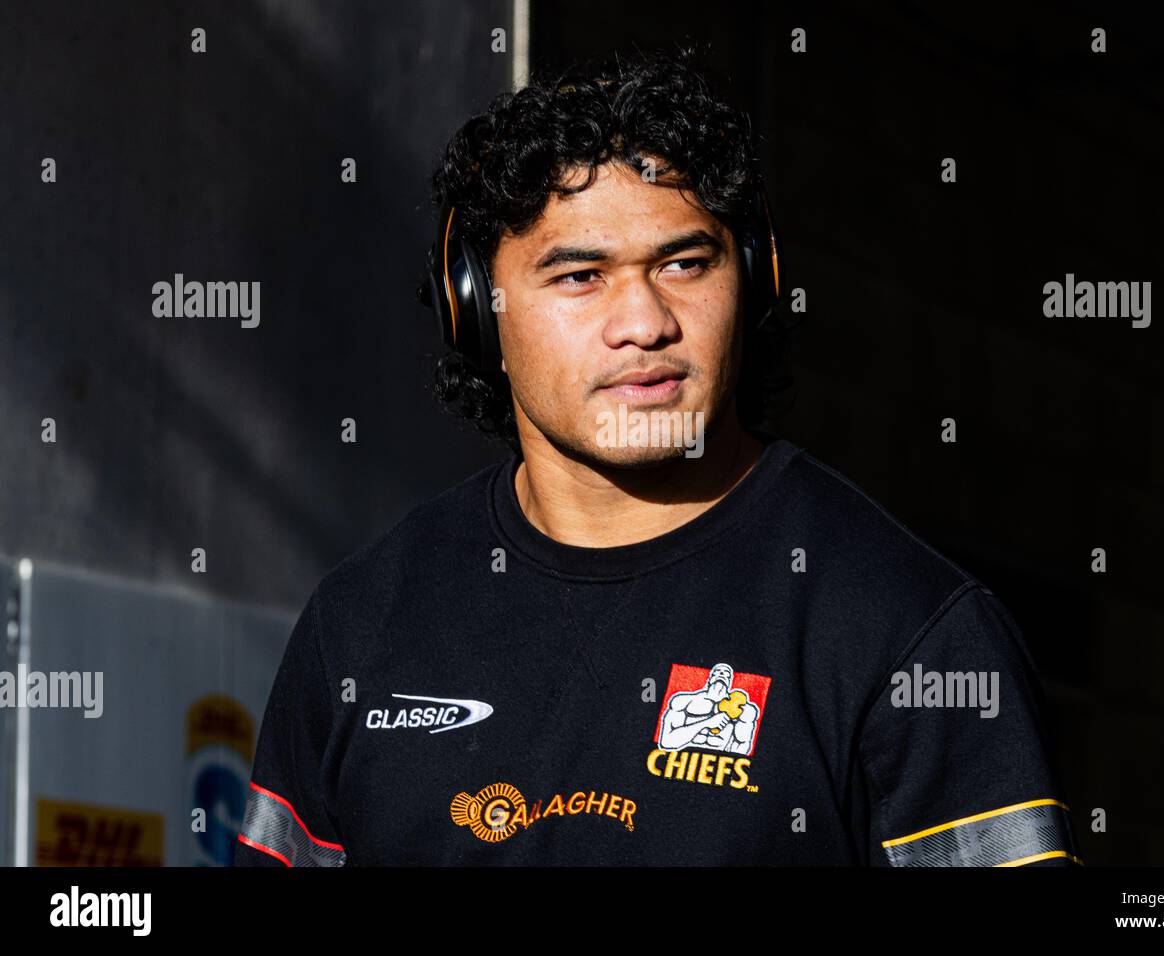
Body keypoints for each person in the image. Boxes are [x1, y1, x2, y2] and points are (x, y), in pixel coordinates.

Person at [234, 47, 1079, 867]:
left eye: (684, 263)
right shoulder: (363, 621)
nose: (644, 322)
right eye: (579, 276)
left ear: (752, 280)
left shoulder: (908, 631)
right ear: (475, 312)